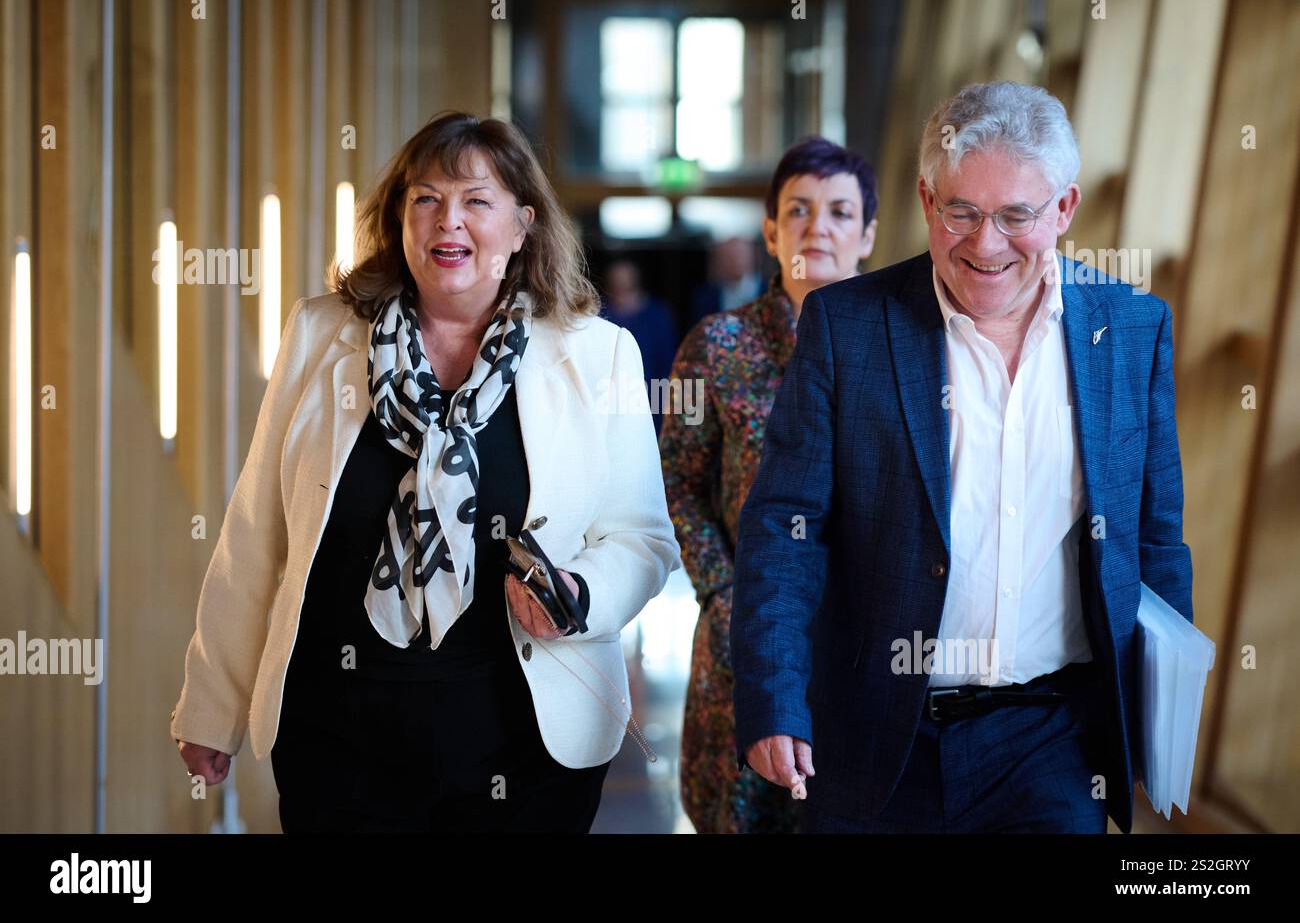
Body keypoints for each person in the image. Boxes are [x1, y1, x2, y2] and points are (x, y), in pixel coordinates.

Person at [170, 111, 680, 833]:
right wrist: (211, 706)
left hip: (526, 739)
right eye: (427, 198)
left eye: (476, 201)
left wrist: (581, 592)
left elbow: (643, 537)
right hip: (338, 738)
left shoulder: (599, 356)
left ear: (522, 225)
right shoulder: (319, 334)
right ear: (398, 216)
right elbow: (256, 534)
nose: (449, 222)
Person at [732, 80, 1194, 833]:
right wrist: (774, 697)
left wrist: (1157, 723)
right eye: (962, 212)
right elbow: (787, 529)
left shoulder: (1132, 330)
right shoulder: (847, 326)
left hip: (1053, 741)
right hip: (878, 735)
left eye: (1017, 215)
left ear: (1066, 209)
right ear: (925, 200)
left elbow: (1154, 539)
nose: (986, 244)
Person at [660, 136, 878, 833]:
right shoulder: (712, 346)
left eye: (841, 212)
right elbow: (674, 485)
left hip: (864, 652)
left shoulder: (904, 354)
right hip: (741, 645)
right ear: (771, 230)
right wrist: (724, 594)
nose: (820, 228)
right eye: (800, 210)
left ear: (868, 234)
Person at [601, 260, 678, 435]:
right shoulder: (601, 314)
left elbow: (668, 362)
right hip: (612, 403)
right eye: (616, 281)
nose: (620, 287)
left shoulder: (657, 315)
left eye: (625, 281)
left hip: (653, 397)